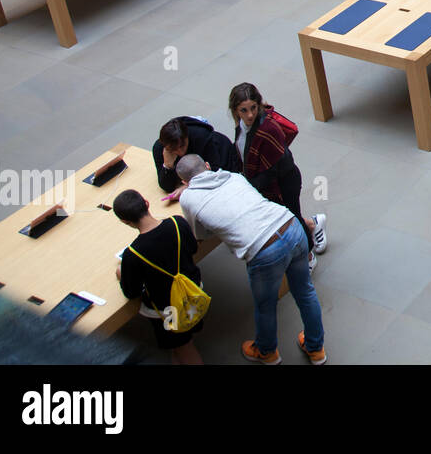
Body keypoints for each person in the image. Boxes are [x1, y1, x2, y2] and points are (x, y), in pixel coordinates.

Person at [177, 154, 326, 364]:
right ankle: (316, 348)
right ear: (208, 166)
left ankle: (267, 351)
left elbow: (201, 234)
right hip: (291, 226)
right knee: (305, 291)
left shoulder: (188, 198)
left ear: (185, 182)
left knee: (265, 305)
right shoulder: (232, 176)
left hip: (263, 249)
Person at [227, 82, 327, 269]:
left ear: (259, 104)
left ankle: (308, 255)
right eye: (244, 110)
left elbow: (279, 165)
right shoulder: (241, 126)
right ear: (235, 111)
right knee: (289, 216)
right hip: (265, 183)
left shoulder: (268, 128)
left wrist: (251, 185)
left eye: (253, 108)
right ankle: (313, 224)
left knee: (292, 218)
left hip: (284, 181)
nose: (249, 115)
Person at [114, 189, 204, 364]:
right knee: (181, 343)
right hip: (193, 294)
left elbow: (132, 292)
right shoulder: (178, 223)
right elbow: (193, 248)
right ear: (146, 203)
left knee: (184, 348)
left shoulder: (133, 254)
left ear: (124, 221)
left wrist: (121, 274)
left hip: (167, 311)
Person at [153, 116, 241, 199]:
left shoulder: (202, 137)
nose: (180, 152)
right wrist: (168, 166)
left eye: (182, 146)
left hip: (224, 158)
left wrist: (187, 187)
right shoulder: (160, 149)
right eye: (174, 149)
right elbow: (166, 186)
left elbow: (215, 170)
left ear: (187, 137)